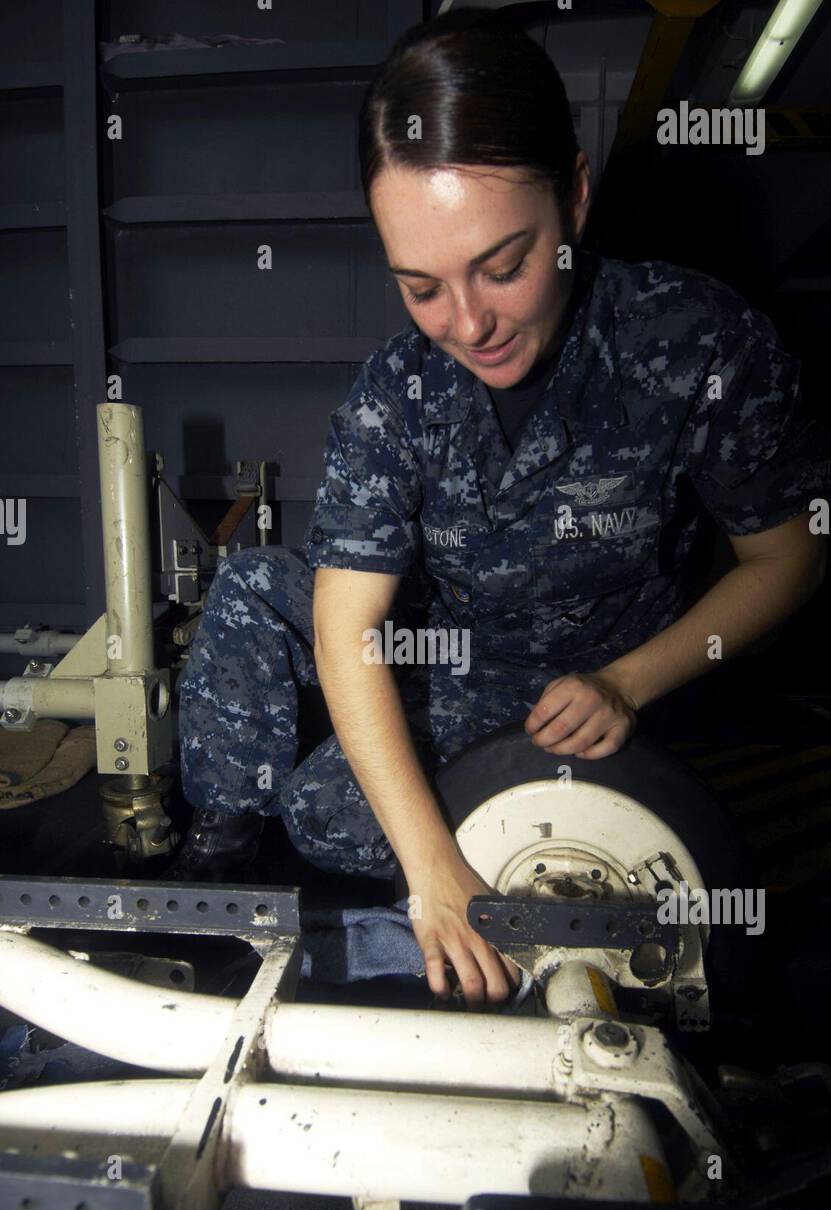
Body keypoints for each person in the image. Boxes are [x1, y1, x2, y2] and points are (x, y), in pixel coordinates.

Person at [169, 8, 827, 1009]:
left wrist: (626, 682)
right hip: (450, 654)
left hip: (592, 691)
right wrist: (435, 871)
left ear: (573, 195)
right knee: (258, 584)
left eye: (505, 266)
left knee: (322, 804)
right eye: (421, 286)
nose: (468, 324)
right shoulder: (395, 391)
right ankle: (215, 876)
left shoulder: (696, 343)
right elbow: (347, 626)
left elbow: (789, 557)